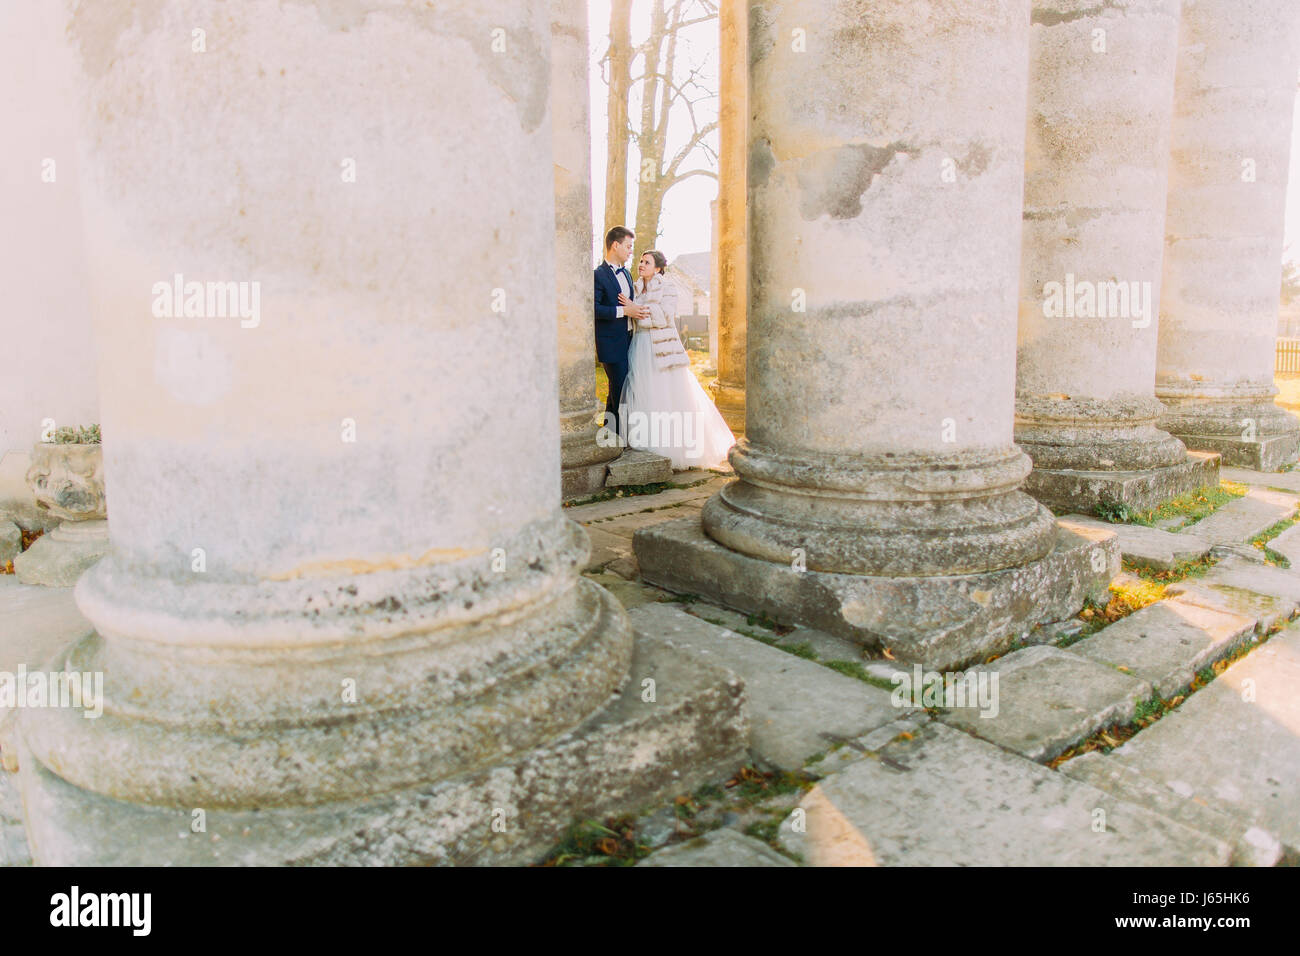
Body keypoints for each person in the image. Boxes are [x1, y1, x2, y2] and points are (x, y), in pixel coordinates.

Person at [618, 250, 736, 470]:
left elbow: (664, 316)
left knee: (667, 393)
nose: (641, 264)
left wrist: (635, 311)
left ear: (658, 268)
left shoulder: (667, 288)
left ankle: (675, 447)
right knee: (643, 391)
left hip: (661, 348)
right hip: (638, 346)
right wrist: (632, 310)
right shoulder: (633, 288)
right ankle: (646, 443)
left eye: (647, 262)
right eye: (641, 261)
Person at [593, 226, 646, 433]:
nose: (631, 250)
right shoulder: (598, 275)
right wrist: (624, 311)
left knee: (619, 387)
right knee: (621, 388)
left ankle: (609, 432)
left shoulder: (626, 273)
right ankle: (622, 435)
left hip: (630, 339)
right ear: (615, 245)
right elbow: (595, 308)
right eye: (628, 246)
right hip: (610, 342)